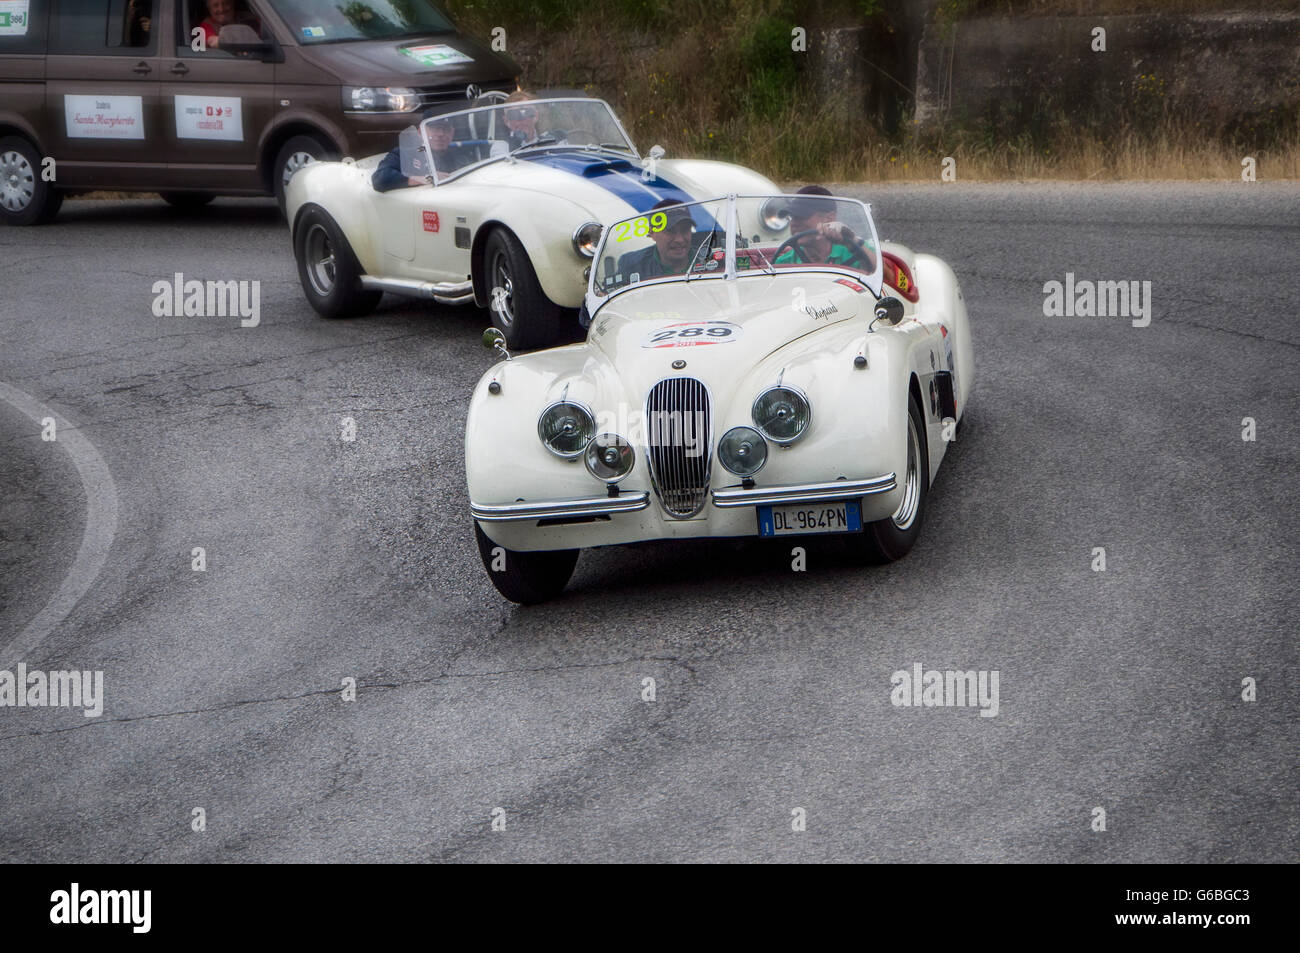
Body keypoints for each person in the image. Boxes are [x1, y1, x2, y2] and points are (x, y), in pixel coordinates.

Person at [372, 114, 473, 192]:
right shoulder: (405, 154)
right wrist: (426, 178)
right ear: (420, 132)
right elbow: (380, 178)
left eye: (445, 129)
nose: (441, 134)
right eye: (435, 128)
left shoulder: (461, 154)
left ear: (452, 133)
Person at [773, 185, 866, 266]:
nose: (793, 223)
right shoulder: (783, 263)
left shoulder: (857, 251)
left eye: (802, 216)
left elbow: (878, 275)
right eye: (792, 217)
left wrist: (852, 241)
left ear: (829, 218)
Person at [616, 200, 698, 280]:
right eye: (670, 231)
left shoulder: (707, 260)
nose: (679, 239)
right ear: (651, 232)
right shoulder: (631, 265)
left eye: (685, 230)